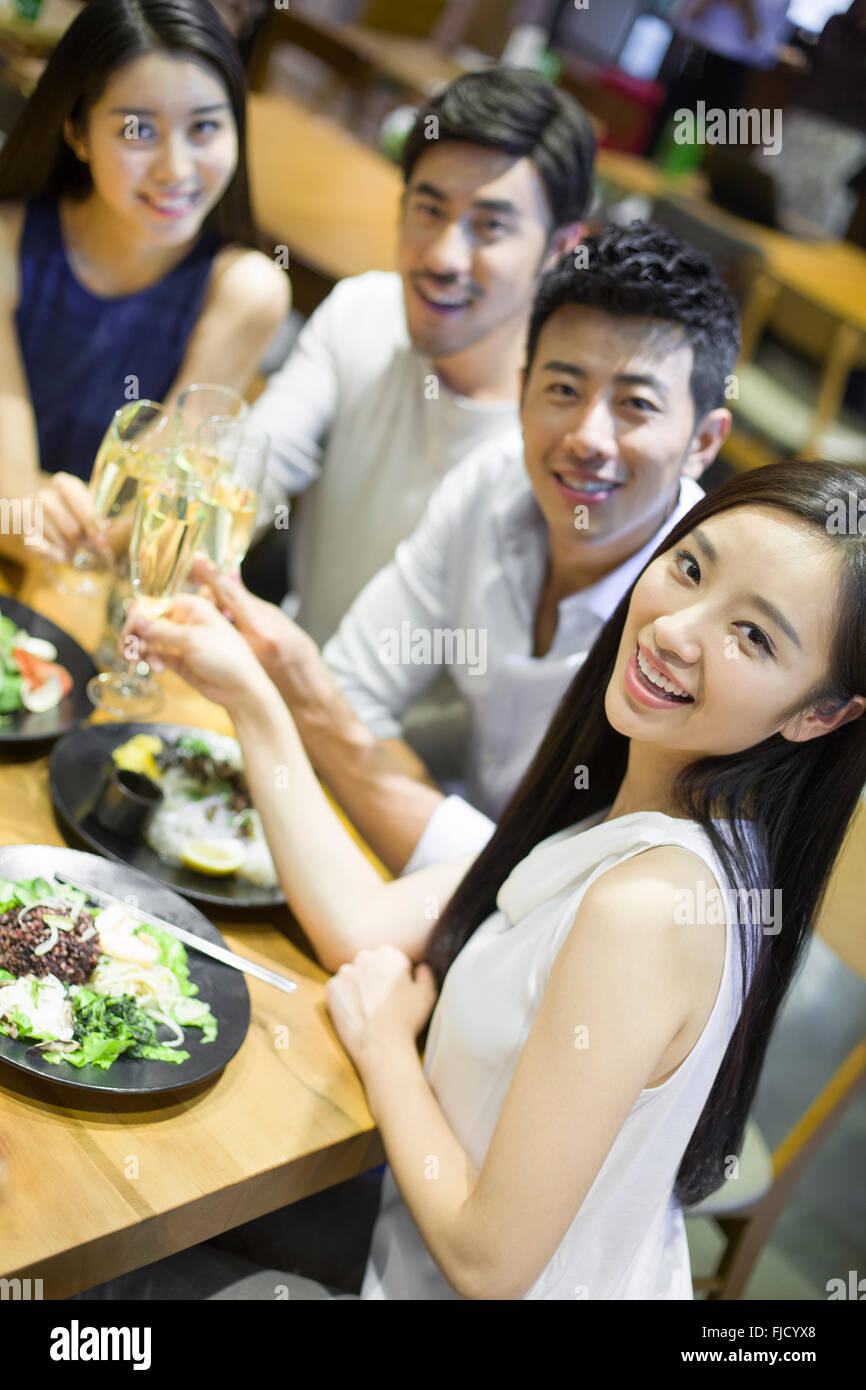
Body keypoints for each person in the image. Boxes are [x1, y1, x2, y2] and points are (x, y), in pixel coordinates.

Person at [108, 456, 865, 1300]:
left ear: (819, 714)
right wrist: (254, 700)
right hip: (395, 1233)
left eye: (753, 636)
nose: (677, 630)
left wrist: (385, 1043)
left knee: (95, 1272)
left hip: (427, 1267)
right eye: (690, 567)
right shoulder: (644, 808)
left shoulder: (651, 909)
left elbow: (490, 1263)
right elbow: (364, 926)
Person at [189, 223, 738, 875]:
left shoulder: (704, 625)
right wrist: (435, 824)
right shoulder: (494, 482)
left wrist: (395, 797)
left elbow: (582, 892)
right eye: (563, 389)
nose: (588, 437)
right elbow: (354, 686)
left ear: (704, 441)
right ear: (524, 387)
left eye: (636, 404)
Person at [247, 67, 595, 644]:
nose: (443, 256)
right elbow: (256, 466)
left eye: (489, 227)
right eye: (429, 209)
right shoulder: (363, 310)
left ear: (561, 248)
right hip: (282, 678)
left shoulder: (569, 447)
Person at [0, 0, 289, 568]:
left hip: (77, 597)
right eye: (138, 130)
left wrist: (42, 513)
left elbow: (139, 518)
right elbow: (13, 504)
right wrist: (28, 509)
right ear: (77, 132)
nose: (176, 169)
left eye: (204, 126)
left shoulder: (245, 293)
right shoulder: (8, 244)